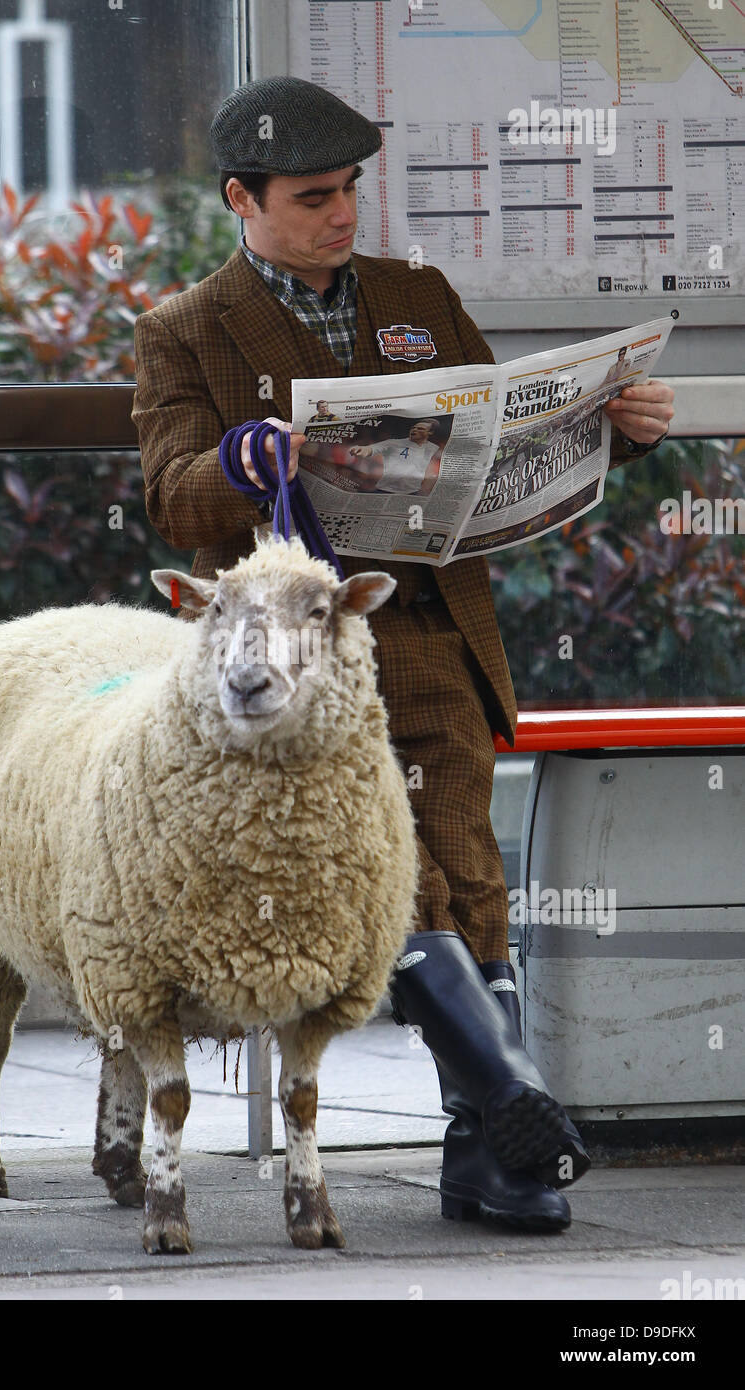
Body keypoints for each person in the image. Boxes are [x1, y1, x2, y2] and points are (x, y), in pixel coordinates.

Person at [131, 75, 675, 1232]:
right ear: (242, 198)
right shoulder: (184, 330)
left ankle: (491, 1146)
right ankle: (511, 1107)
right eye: (314, 195)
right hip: (304, 667)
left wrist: (608, 434)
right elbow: (173, 505)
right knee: (407, 881)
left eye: (351, 190)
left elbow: (499, 452)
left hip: (431, 630)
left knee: (468, 873)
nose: (343, 213)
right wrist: (236, 464)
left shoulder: (414, 294)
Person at [347, 418, 448, 495]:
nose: (415, 430)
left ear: (430, 433)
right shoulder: (395, 443)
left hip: (412, 493)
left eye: (420, 429)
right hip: (385, 491)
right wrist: (363, 450)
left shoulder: (433, 448)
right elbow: (372, 449)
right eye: (414, 428)